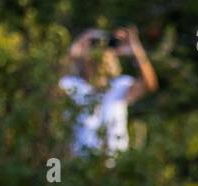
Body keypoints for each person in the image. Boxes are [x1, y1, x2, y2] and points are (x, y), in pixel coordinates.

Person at [60, 27, 158, 156]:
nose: (102, 54)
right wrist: (74, 51)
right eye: (94, 47)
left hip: (114, 168)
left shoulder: (120, 86)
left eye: (106, 49)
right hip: (81, 168)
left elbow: (149, 85)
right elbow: (48, 86)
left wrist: (136, 50)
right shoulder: (72, 85)